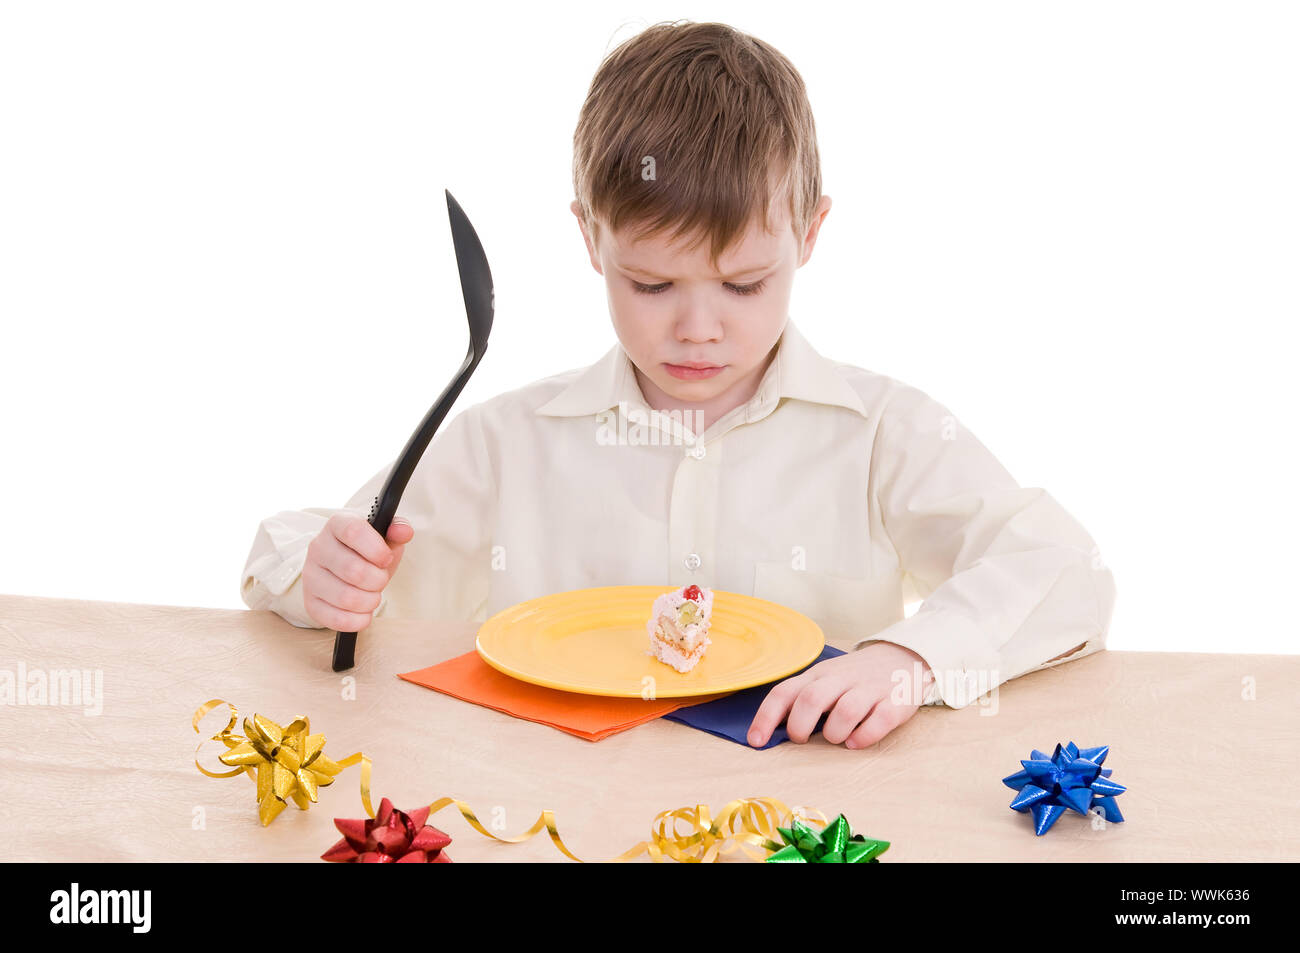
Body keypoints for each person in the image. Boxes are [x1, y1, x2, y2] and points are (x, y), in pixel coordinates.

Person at [241, 20, 1115, 750]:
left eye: (743, 285)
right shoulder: (508, 441)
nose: (699, 328)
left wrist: (913, 658)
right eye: (652, 285)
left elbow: (1063, 566)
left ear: (810, 234)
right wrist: (322, 579)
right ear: (591, 240)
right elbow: (296, 548)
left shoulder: (883, 430)